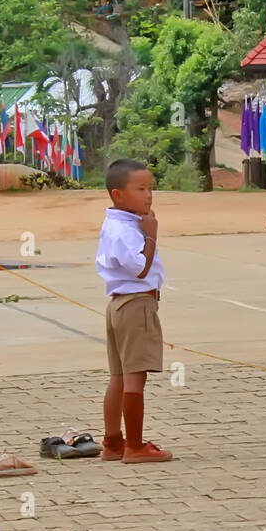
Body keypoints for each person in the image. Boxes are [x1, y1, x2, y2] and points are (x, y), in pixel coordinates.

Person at [96, 159, 172, 463]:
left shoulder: (117, 222)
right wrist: (151, 234)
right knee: (134, 379)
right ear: (118, 195)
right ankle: (135, 446)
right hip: (135, 304)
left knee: (118, 377)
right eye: (140, 189)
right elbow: (140, 268)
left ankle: (113, 441)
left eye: (150, 188)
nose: (149, 196)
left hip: (118, 304)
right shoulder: (127, 230)